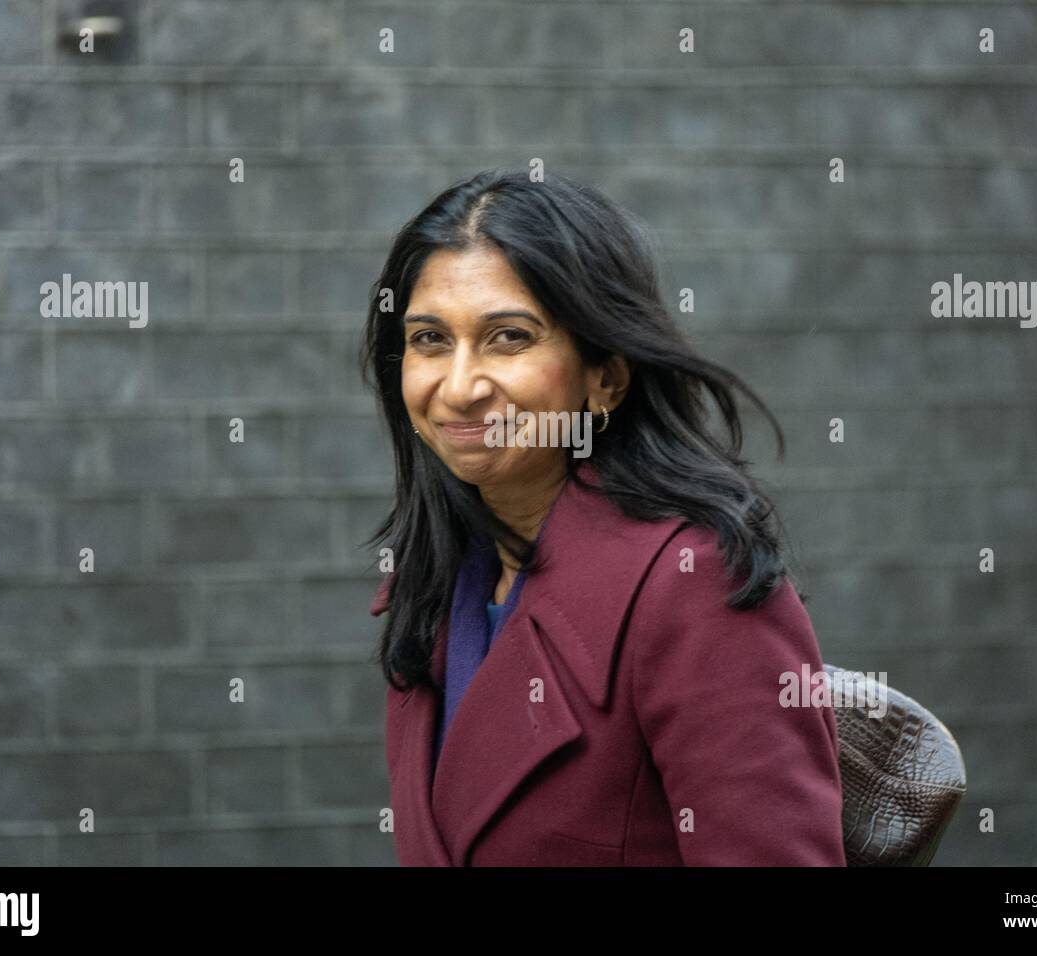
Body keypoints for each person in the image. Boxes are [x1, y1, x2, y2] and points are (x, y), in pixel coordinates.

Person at [361, 168, 846, 866]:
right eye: (431, 340)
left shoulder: (693, 586)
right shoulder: (433, 582)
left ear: (607, 378)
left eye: (509, 338)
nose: (459, 386)